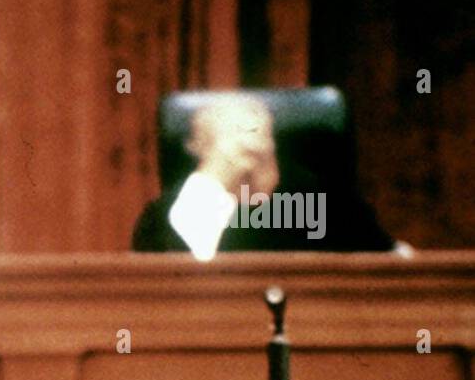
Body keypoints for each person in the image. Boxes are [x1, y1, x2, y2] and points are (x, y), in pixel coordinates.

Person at [131, 93, 406, 259]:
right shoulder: (163, 215)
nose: (247, 149)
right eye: (227, 139)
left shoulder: (326, 203)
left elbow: (395, 265)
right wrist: (214, 183)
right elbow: (168, 288)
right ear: (196, 147)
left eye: (257, 135)